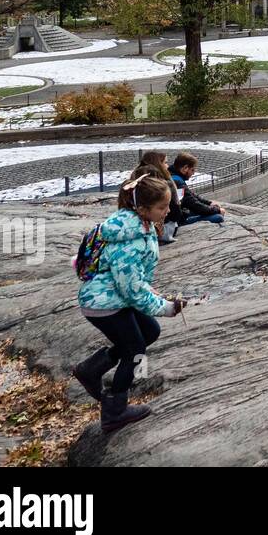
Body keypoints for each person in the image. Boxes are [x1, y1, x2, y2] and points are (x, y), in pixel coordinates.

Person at [73, 168, 185, 432]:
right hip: (104, 305)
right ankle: (114, 410)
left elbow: (133, 282)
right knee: (135, 350)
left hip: (113, 298)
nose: (167, 211)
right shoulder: (130, 240)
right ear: (143, 208)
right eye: (162, 207)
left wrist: (151, 291)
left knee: (150, 331)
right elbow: (131, 291)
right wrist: (166, 308)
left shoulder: (137, 224)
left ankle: (91, 369)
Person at [168, 153, 225, 227]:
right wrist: (217, 210)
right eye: (192, 170)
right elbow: (193, 204)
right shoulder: (177, 181)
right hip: (178, 221)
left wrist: (209, 203)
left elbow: (191, 195)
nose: (194, 173)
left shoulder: (173, 176)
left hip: (180, 213)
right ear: (185, 168)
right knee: (218, 217)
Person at [138, 150, 181, 244]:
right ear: (158, 163)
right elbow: (176, 211)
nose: (167, 166)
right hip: (161, 231)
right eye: (165, 162)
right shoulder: (163, 184)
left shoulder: (138, 178)